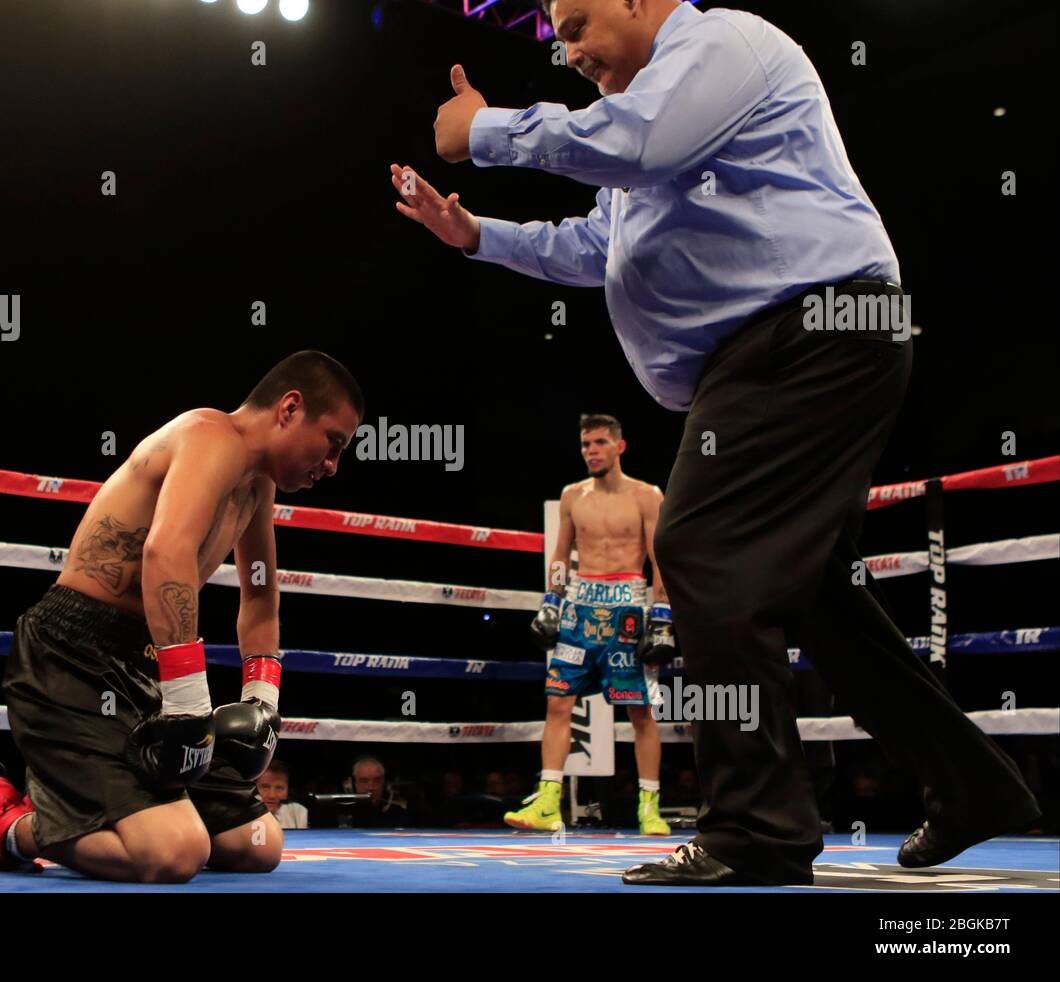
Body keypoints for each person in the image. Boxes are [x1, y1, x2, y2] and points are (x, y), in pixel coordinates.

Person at [393, 0, 1039, 884]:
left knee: (699, 546)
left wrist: (490, 131)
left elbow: (633, 143)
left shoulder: (721, 47)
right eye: (557, 36)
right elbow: (597, 246)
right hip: (799, 342)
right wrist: (475, 235)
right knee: (814, 594)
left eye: (578, 24)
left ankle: (759, 829)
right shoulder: (654, 123)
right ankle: (971, 786)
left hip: (815, 327)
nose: (567, 49)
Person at [0, 351, 362, 883]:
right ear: (290, 408)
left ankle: (143, 814)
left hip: (143, 660)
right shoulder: (210, 434)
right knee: (175, 855)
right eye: (333, 441)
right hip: (70, 656)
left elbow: (260, 594)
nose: (334, 464)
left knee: (258, 844)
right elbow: (166, 554)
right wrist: (188, 699)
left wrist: (261, 701)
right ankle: (10, 828)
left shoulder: (257, 483)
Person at [507, 414, 674, 835]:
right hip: (581, 605)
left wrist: (664, 616)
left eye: (599, 442)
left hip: (629, 607)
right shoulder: (572, 495)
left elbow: (660, 559)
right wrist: (551, 602)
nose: (591, 451)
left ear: (620, 446)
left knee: (640, 711)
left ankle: (649, 807)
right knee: (558, 702)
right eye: (585, 444)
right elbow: (562, 556)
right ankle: (548, 802)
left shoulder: (646, 495)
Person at [349, 756, 410, 827]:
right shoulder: (345, 810)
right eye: (364, 781)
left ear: (383, 783)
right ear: (355, 784)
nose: (371, 787)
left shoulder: (398, 811)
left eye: (377, 781)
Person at [256, 760, 308, 830]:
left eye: (279, 788)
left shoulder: (299, 811)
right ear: (255, 789)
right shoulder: (244, 812)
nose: (272, 796)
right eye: (265, 787)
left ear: (288, 790)